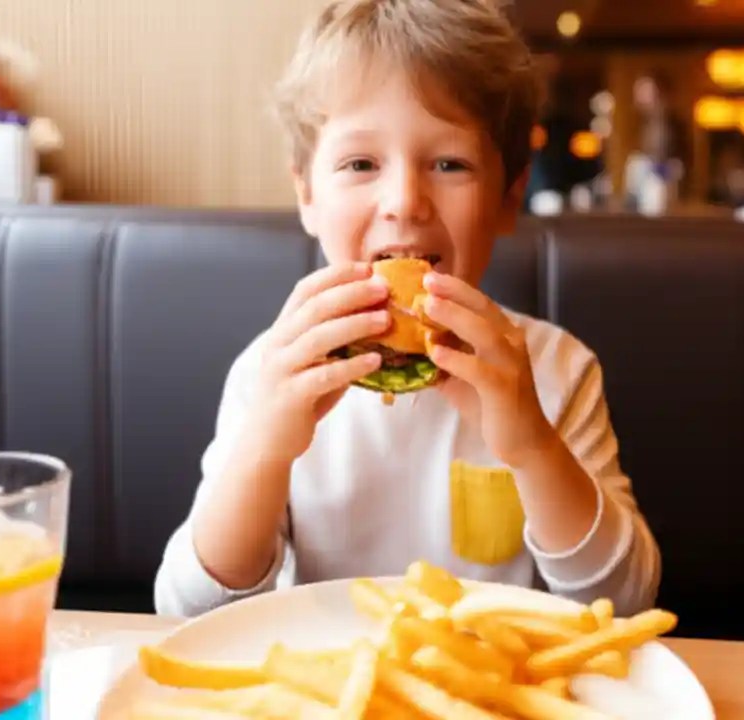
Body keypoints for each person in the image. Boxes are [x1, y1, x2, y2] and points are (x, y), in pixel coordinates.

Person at [154, 0, 662, 618]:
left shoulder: (556, 368)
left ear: (507, 199)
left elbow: (628, 601)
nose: (403, 201)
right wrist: (266, 448)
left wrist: (531, 444)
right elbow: (187, 609)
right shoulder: (273, 371)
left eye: (450, 164)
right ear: (307, 195)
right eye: (361, 163)